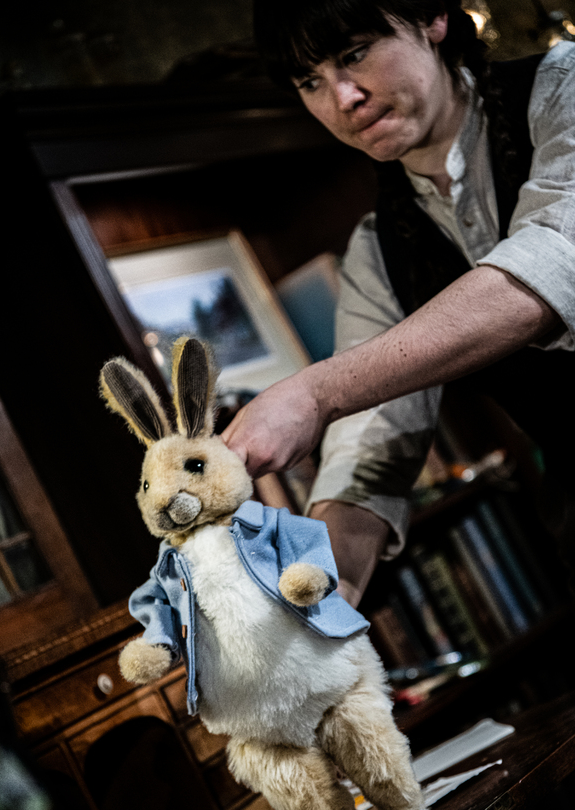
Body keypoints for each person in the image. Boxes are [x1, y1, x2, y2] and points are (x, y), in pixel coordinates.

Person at [223, 0, 575, 607]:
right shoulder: (377, 248)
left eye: (354, 54)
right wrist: (309, 608)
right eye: (310, 82)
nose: (342, 98)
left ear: (433, 19)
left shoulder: (564, 87)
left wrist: (313, 392)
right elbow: (370, 441)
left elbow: (553, 263)